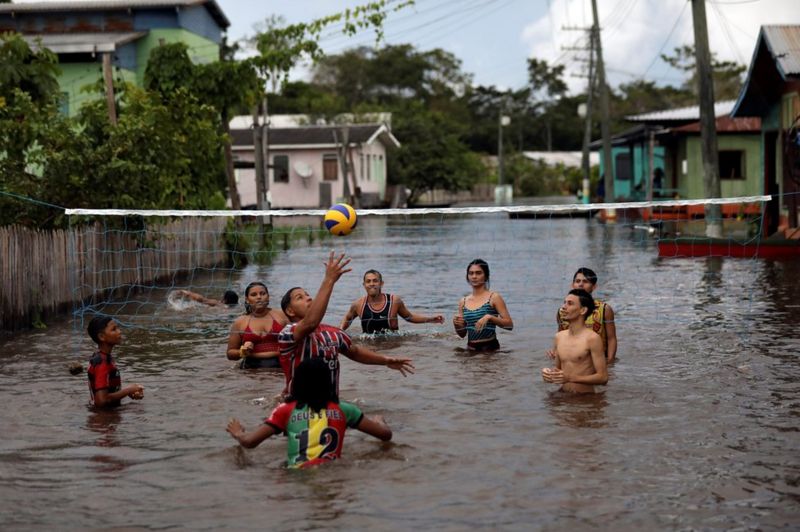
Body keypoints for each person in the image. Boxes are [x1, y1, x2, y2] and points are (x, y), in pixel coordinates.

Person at [278, 252, 415, 396]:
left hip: (331, 405)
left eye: (308, 295)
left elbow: (355, 352)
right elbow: (310, 323)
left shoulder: (333, 333)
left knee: (376, 418)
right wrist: (329, 280)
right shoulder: (287, 334)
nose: (309, 298)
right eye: (300, 297)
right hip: (298, 405)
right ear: (290, 310)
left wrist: (386, 360)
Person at [226, 357, 392, 469]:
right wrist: (379, 421)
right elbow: (385, 435)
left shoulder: (285, 410)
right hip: (332, 472)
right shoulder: (345, 409)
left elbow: (249, 443)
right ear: (329, 382)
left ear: (297, 383)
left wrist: (238, 433)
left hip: (297, 474)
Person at [542, 289, 608, 394]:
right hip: (563, 395)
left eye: (570, 303)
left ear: (583, 310)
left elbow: (603, 378)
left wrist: (570, 378)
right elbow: (558, 371)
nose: (563, 307)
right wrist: (549, 374)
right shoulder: (559, 337)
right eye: (564, 302)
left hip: (585, 400)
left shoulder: (592, 339)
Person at [339, 269, 444, 334]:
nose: (372, 284)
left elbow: (409, 317)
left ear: (381, 283)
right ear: (364, 285)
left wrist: (431, 319)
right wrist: (340, 331)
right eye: (368, 281)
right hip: (369, 346)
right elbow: (347, 318)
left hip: (393, 345)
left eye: (375, 281)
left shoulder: (394, 301)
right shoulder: (358, 305)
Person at [551, 267, 617, 362]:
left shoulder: (604, 309)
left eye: (585, 281)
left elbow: (611, 338)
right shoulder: (562, 311)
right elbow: (561, 335)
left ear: (594, 287)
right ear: (572, 285)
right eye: (577, 281)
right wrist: (555, 352)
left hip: (599, 359)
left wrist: (610, 361)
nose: (581, 284)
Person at [452, 259, 513, 351]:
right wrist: (457, 325)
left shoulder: (494, 297)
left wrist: (490, 317)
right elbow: (462, 334)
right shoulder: (463, 301)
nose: (474, 276)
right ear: (467, 276)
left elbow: (509, 325)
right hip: (470, 349)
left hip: (491, 350)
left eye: (478, 273)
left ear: (486, 276)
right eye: (471, 273)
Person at [226, 282, 288, 369]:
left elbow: (298, 338)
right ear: (247, 299)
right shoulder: (240, 322)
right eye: (254, 294)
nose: (259, 297)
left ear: (268, 296)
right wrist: (243, 351)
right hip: (251, 368)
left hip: (281, 366)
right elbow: (230, 354)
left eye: (262, 293)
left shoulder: (282, 316)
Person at [86, 316, 144, 408]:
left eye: (118, 328)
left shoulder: (104, 357)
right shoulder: (102, 363)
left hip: (105, 417)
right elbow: (102, 401)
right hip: (104, 419)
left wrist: (128, 392)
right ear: (101, 336)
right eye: (114, 329)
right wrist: (128, 390)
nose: (119, 331)